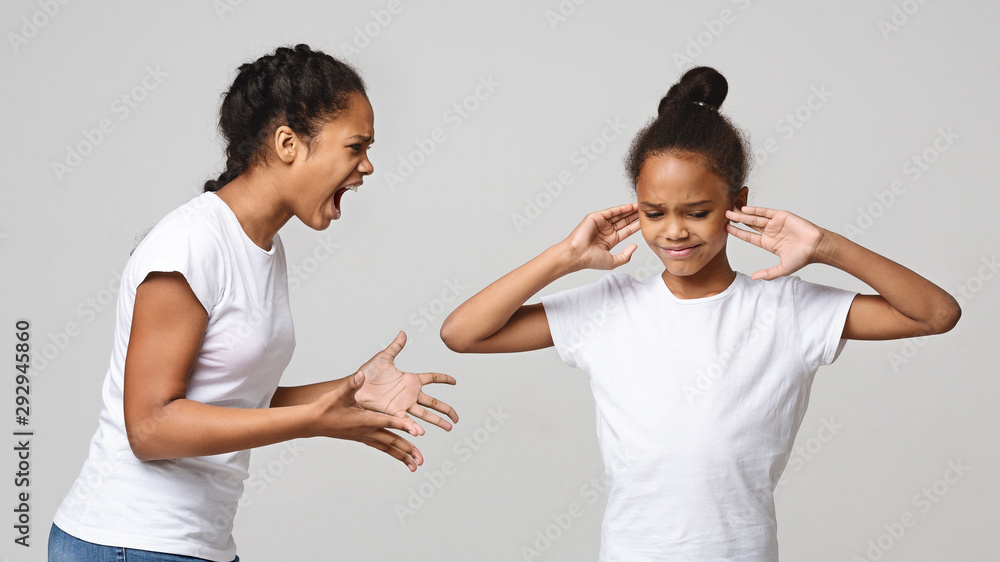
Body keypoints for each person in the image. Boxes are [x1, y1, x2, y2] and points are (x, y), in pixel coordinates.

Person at [440, 66, 960, 560]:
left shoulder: (787, 309)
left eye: (697, 212)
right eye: (653, 213)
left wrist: (827, 247)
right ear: (634, 207)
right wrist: (563, 257)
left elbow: (935, 314)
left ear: (738, 202)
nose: (674, 231)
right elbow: (462, 333)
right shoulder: (607, 308)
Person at [49, 44, 459, 562]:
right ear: (289, 143)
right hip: (129, 543)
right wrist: (314, 420)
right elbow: (150, 428)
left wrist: (350, 392)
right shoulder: (191, 244)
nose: (368, 167)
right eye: (355, 146)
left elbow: (234, 398)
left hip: (196, 545)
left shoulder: (263, 247)